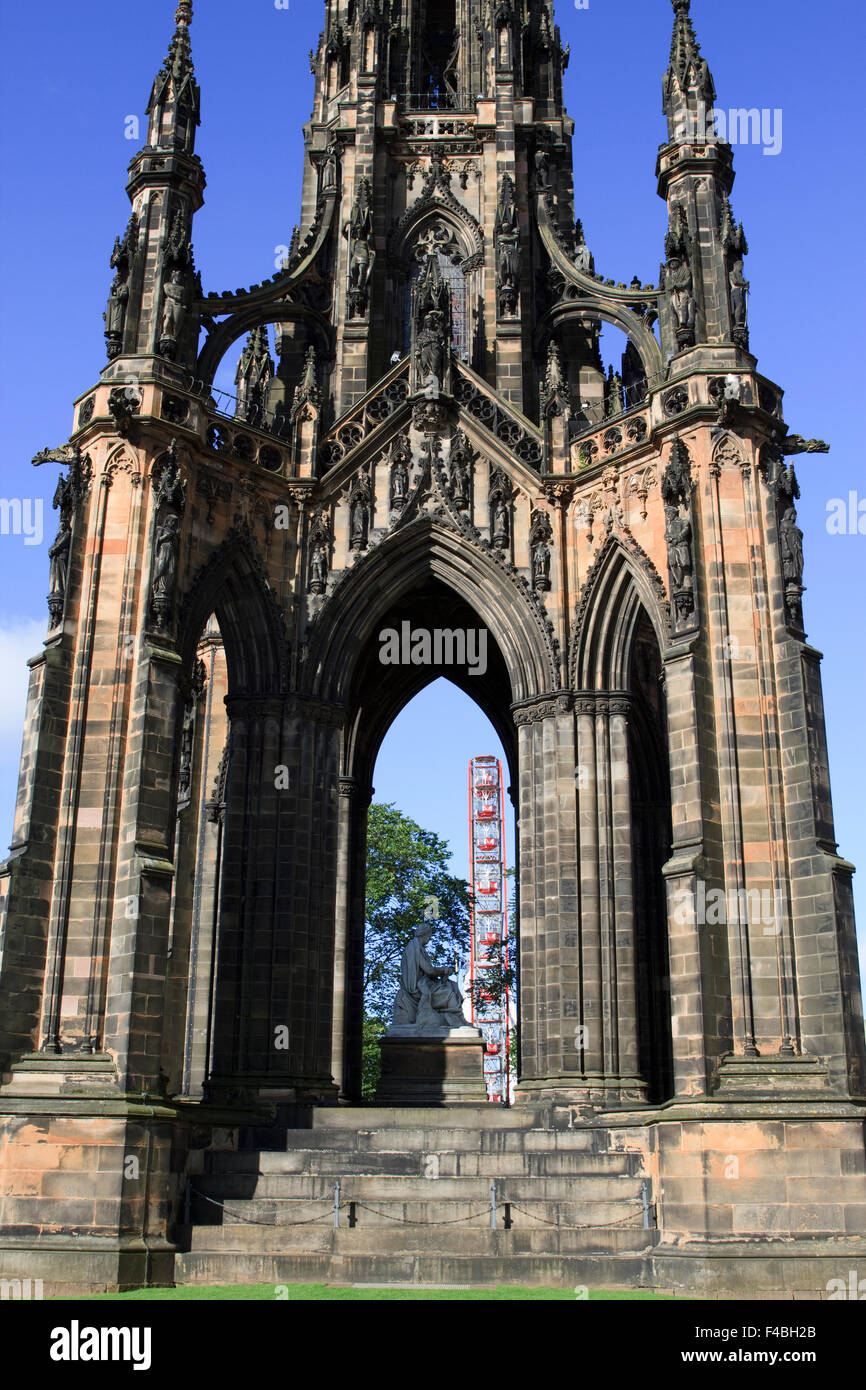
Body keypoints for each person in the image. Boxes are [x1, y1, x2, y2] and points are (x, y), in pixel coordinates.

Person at [391, 923, 467, 1029]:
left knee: (451, 985)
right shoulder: (415, 947)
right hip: (419, 986)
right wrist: (443, 970)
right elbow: (429, 970)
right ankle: (456, 1020)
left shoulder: (416, 946)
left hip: (423, 982)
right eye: (429, 935)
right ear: (425, 934)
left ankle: (457, 1018)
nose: (429, 938)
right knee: (449, 991)